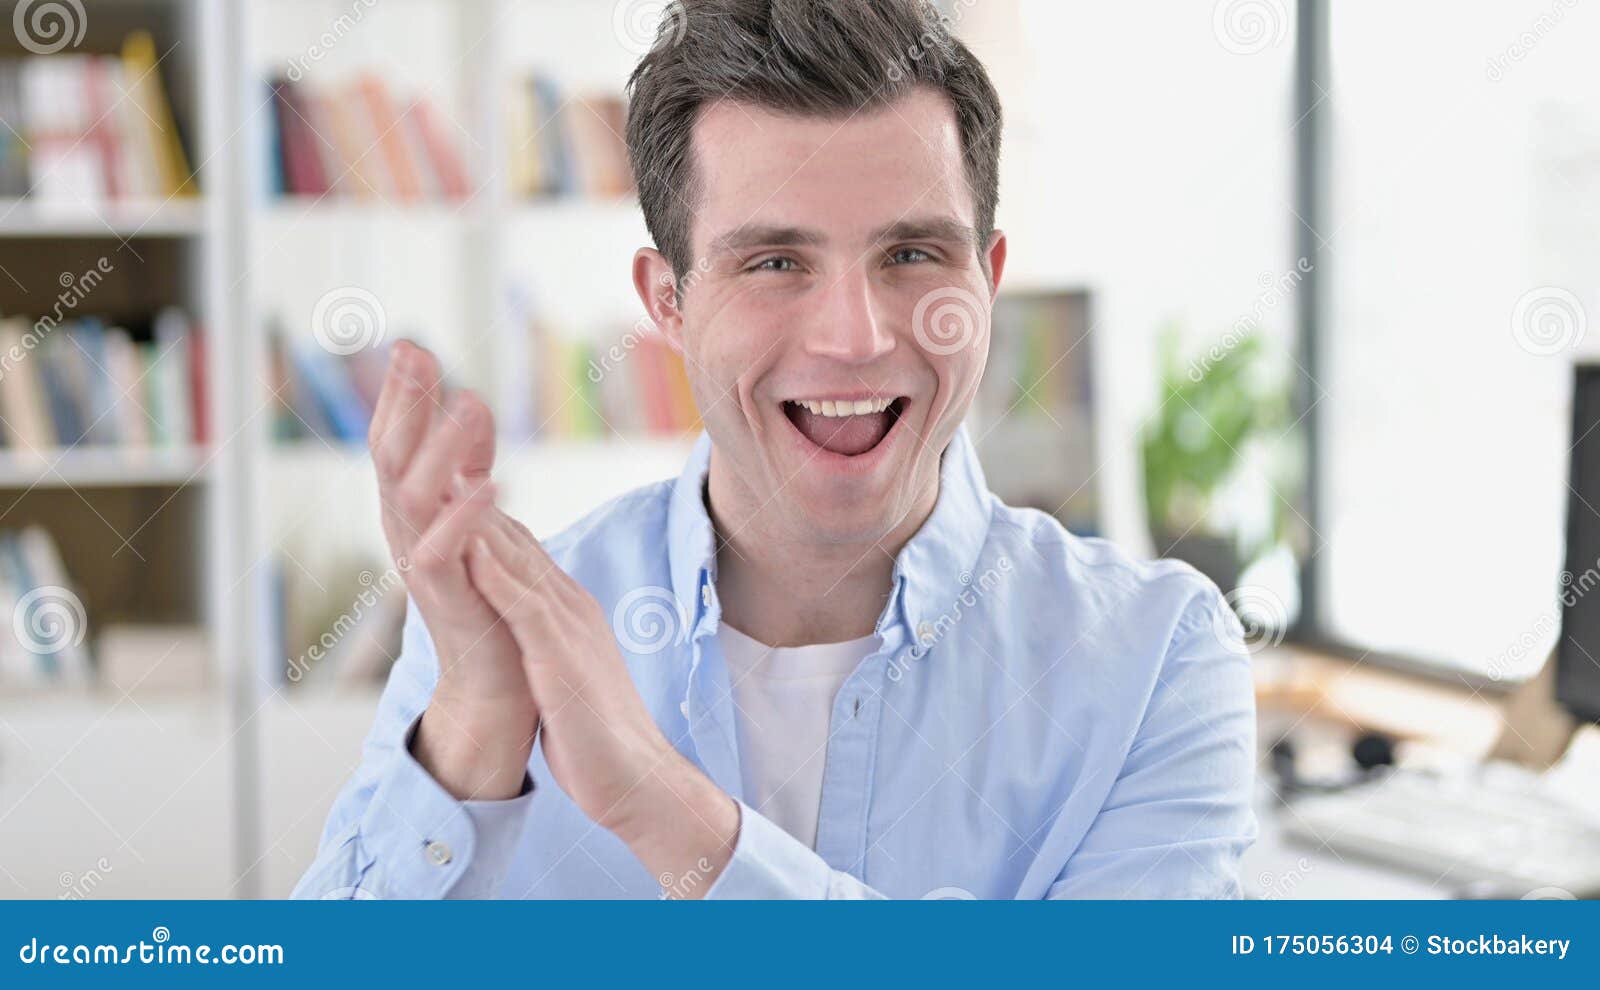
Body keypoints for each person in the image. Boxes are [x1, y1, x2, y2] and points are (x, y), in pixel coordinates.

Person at [293, 0, 1256, 900]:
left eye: (912, 254)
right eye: (776, 263)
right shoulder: (490, 635)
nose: (856, 336)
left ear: (988, 279)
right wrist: (470, 742)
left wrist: (668, 813)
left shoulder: (1155, 661)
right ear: (668, 302)